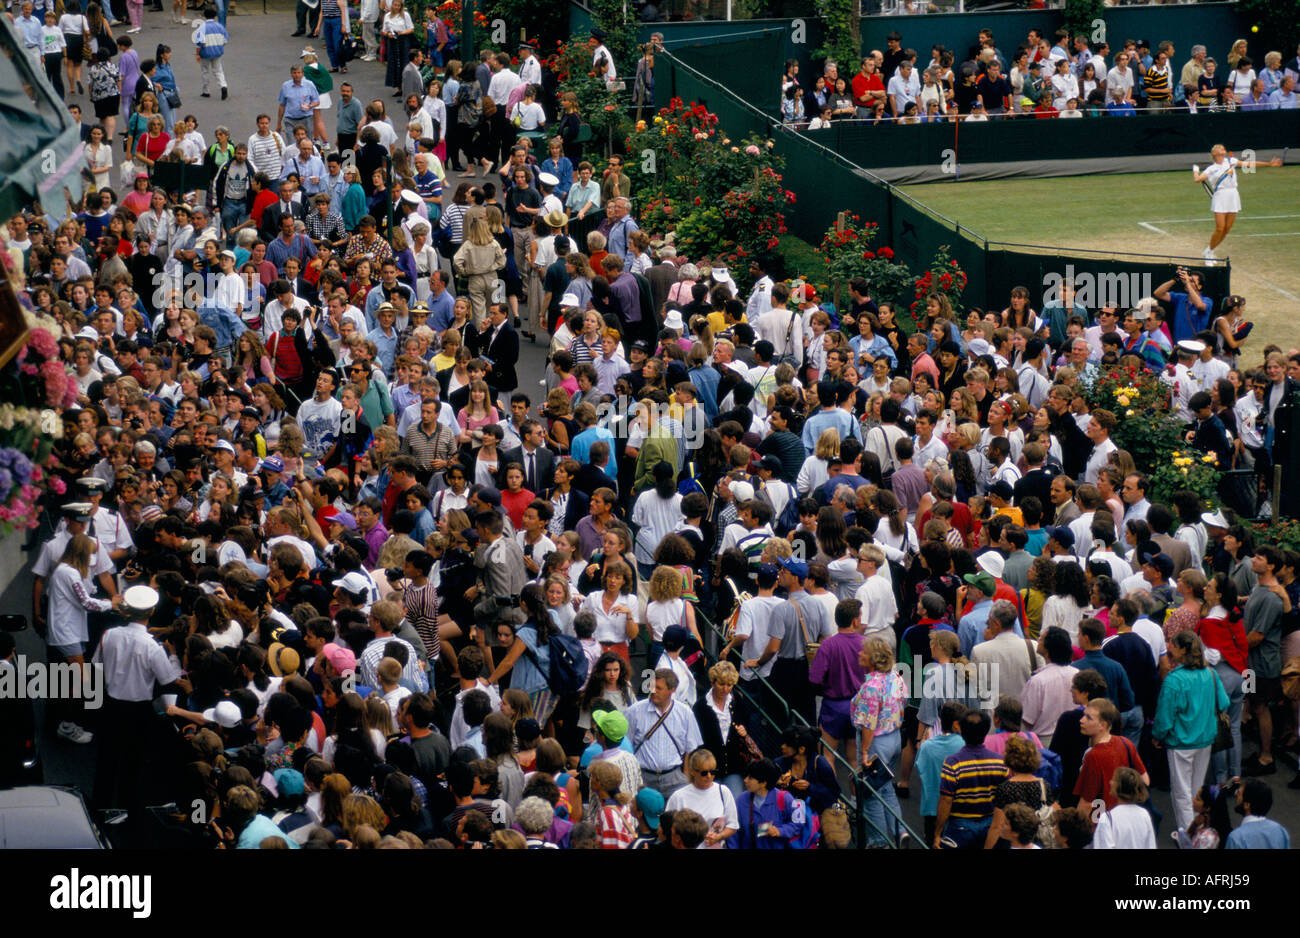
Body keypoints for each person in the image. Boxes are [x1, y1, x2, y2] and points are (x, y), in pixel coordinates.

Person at [1193, 144, 1283, 262]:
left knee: (1227, 229)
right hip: (1220, 196)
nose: (1223, 150)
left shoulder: (1231, 161)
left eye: (1223, 149)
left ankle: (1209, 250)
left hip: (1233, 195)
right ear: (1214, 153)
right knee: (1220, 228)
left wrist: (1269, 164)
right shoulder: (1211, 169)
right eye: (1220, 149)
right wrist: (1195, 170)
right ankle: (1209, 254)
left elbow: (1249, 164)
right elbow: (1197, 179)